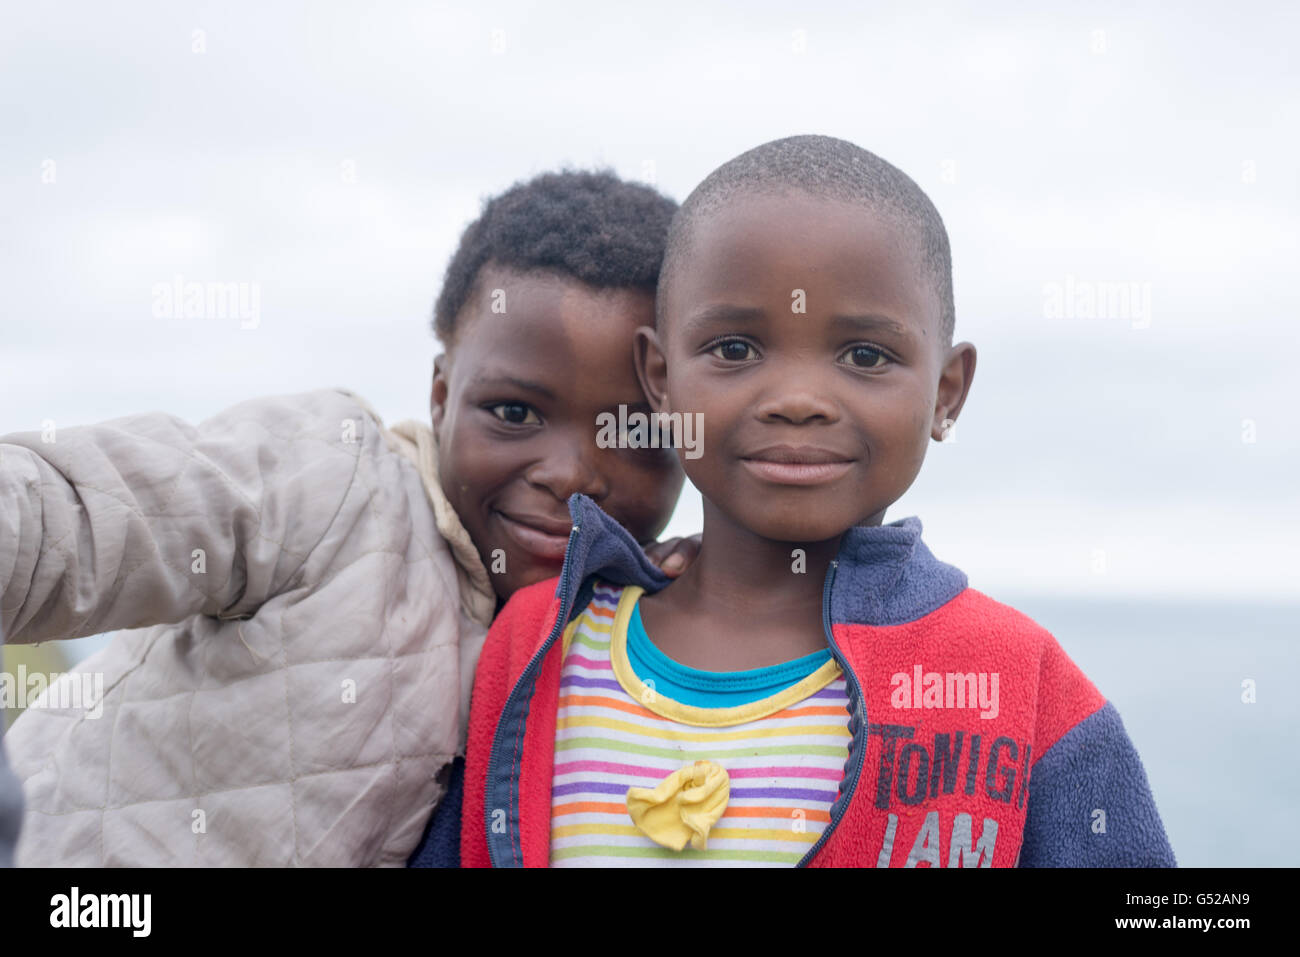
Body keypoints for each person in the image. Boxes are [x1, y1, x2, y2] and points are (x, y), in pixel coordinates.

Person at [458, 135, 1177, 867]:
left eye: (866, 355)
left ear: (946, 393)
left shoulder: (1019, 685)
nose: (798, 400)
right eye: (735, 348)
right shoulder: (535, 644)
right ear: (661, 378)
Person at [0, 169, 698, 866]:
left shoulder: (625, 631)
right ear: (439, 396)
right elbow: (82, 516)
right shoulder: (331, 479)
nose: (570, 472)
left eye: (634, 432)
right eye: (514, 413)